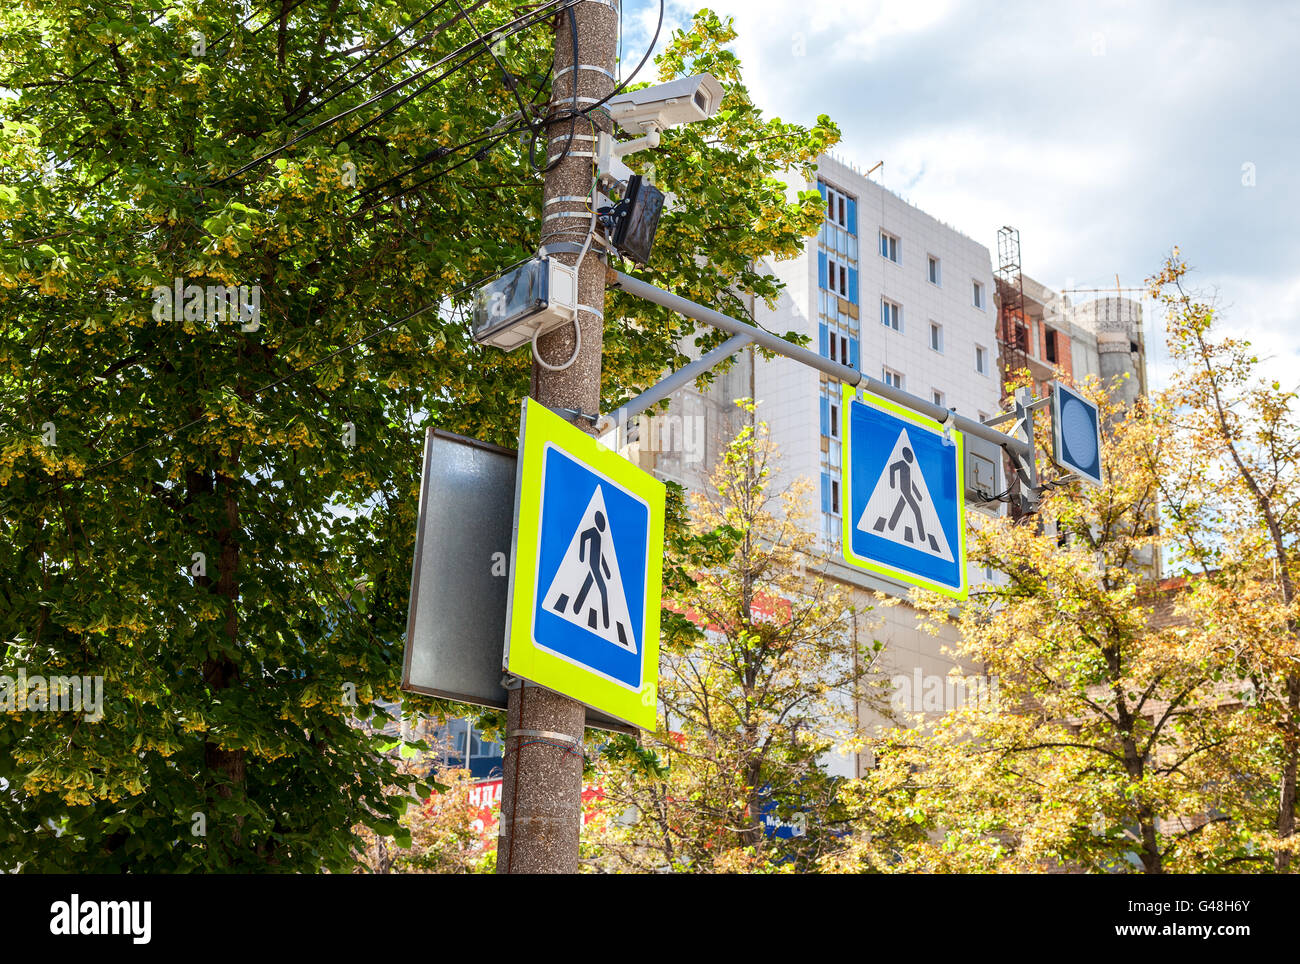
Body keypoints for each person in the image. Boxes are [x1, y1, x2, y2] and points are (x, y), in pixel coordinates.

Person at [572, 511, 611, 629]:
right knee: (603, 590)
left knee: (587, 584)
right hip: (593, 565)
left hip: (596, 565)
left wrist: (607, 571)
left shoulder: (599, 536)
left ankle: (576, 607)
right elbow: (583, 536)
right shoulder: (593, 531)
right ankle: (606, 623)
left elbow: (601, 555)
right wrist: (582, 555)